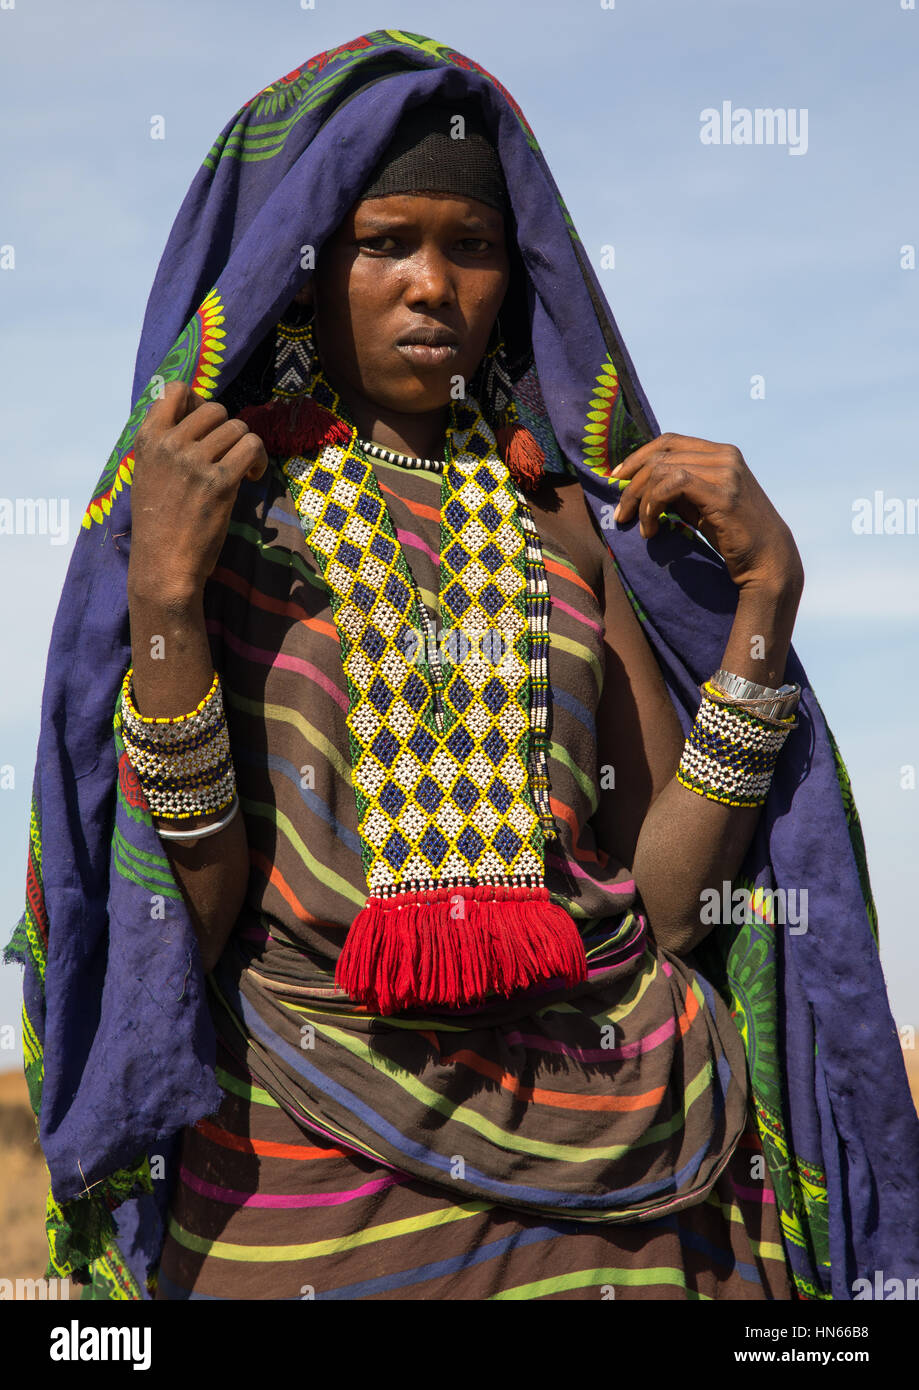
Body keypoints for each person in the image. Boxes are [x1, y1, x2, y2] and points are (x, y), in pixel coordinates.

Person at [7, 31, 918, 1303]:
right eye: (384, 243)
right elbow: (194, 908)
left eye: (470, 248)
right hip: (309, 1180)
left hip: (642, 1180)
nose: (431, 285)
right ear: (307, 259)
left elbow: (651, 899)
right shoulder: (222, 517)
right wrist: (160, 589)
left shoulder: (562, 527)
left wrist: (765, 605)